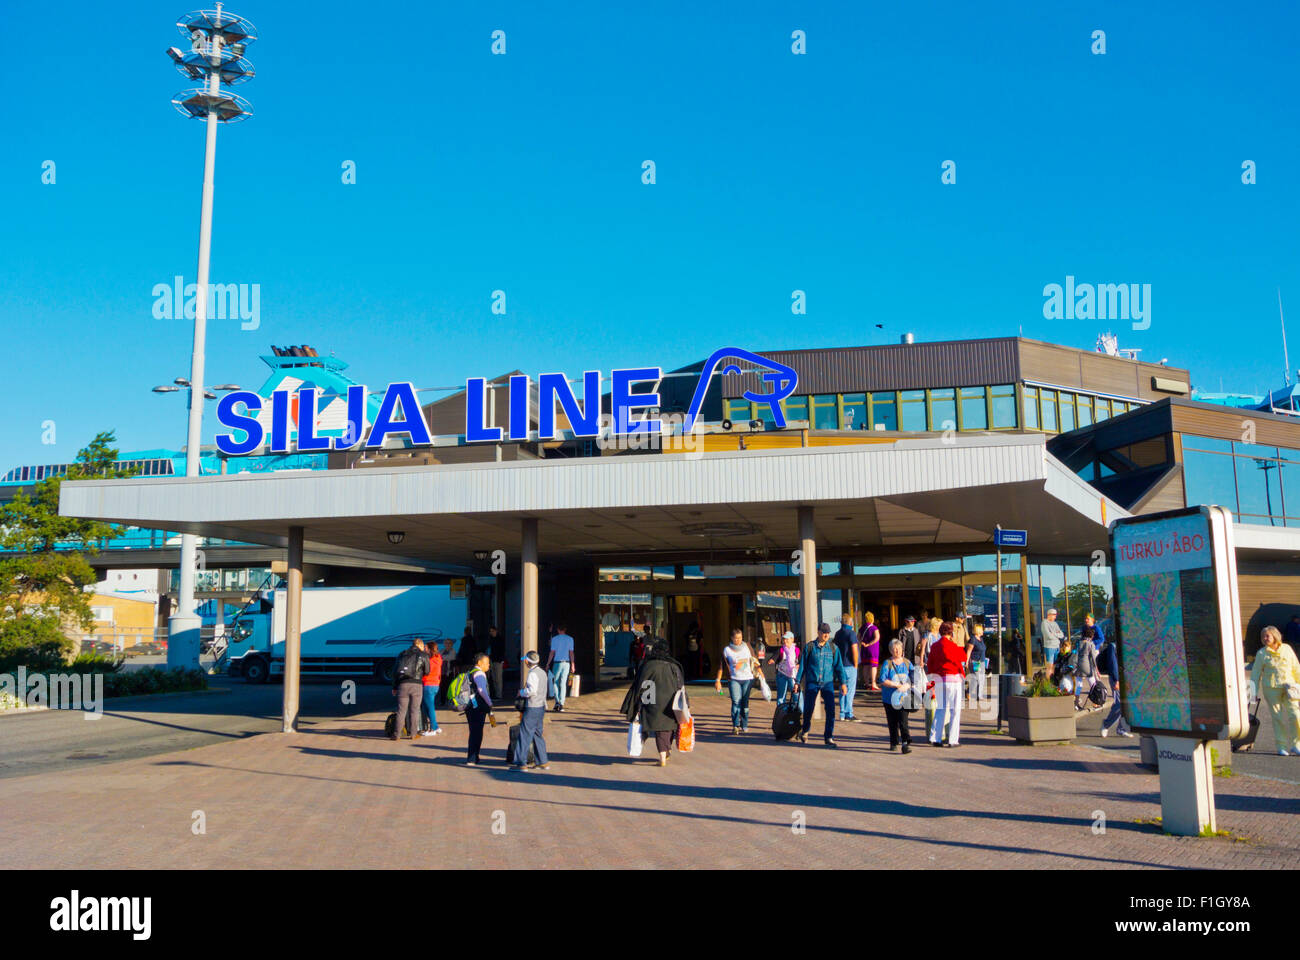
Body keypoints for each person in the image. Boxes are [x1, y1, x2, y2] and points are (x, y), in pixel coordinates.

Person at [626, 639, 687, 766]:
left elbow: (641, 684)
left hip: (653, 702)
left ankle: (664, 756)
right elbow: (681, 686)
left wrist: (639, 701)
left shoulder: (648, 665)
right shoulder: (674, 666)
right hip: (671, 703)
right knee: (667, 729)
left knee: (660, 729)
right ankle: (665, 753)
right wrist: (686, 704)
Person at [794, 623, 848, 748]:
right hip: (812, 682)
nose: (826, 635)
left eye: (828, 633)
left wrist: (843, 683)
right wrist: (797, 682)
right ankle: (805, 730)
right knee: (808, 709)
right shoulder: (810, 647)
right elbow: (802, 667)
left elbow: (839, 667)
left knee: (830, 710)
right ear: (818, 632)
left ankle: (829, 736)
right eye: (824, 632)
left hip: (827, 683)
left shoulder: (833, 648)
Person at [1250, 626, 1300, 756]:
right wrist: (1253, 694)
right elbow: (1255, 674)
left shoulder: (1287, 649)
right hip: (1271, 689)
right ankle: (1281, 746)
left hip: (1290, 688)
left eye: (1268, 636)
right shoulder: (1261, 653)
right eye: (1263, 637)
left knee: (1295, 715)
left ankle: (1297, 744)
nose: (1265, 639)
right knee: (1277, 718)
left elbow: (1296, 668)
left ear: (1275, 636)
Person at [927, 621, 965, 747]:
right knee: (955, 710)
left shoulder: (935, 646)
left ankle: (935, 738)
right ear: (951, 633)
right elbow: (963, 657)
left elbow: (930, 664)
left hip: (939, 679)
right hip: (953, 679)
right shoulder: (952, 646)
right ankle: (953, 740)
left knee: (940, 709)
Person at [715, 628, 758, 734]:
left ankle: (744, 723)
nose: (738, 640)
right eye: (736, 638)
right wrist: (718, 680)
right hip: (734, 679)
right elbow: (722, 666)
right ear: (732, 638)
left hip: (747, 679)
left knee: (744, 701)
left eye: (740, 638)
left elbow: (755, 661)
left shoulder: (747, 647)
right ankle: (735, 725)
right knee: (735, 701)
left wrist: (761, 675)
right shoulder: (727, 650)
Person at [513, 651, 551, 771]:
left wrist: (521, 692)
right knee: (537, 733)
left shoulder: (532, 674)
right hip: (541, 706)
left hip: (532, 706)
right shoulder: (543, 673)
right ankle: (542, 761)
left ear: (527, 661)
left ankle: (521, 763)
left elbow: (532, 691)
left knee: (524, 735)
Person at [390, 637, 430, 741]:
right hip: (416, 685)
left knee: (401, 710)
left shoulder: (402, 654)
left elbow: (395, 672)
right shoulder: (423, 655)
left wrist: (394, 687)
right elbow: (427, 671)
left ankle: (396, 734)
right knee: (414, 710)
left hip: (402, 685)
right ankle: (413, 734)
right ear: (420, 645)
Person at [879, 639, 914, 753]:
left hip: (904, 698)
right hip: (889, 699)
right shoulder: (887, 663)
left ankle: (905, 743)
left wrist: (907, 685)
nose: (897, 651)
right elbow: (882, 680)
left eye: (898, 648)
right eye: (894, 649)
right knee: (892, 722)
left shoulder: (908, 663)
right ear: (890, 651)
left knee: (903, 721)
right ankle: (893, 742)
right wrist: (896, 685)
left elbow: (914, 678)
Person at [1095, 630, 1131, 738]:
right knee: (1119, 703)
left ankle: (1121, 728)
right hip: (1117, 678)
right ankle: (1106, 725)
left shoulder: (1127, 647)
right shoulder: (1113, 646)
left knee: (1126, 704)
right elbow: (1113, 664)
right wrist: (1117, 680)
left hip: (1126, 677)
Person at [464, 653, 495, 766]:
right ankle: (472, 758)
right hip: (477, 707)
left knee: (474, 731)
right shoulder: (480, 674)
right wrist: (490, 703)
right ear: (479, 663)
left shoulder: (470, 672)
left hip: (470, 706)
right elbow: (482, 690)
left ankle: (474, 757)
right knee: (476, 733)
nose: (488, 665)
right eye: (486, 663)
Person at [833, 615, 860, 722]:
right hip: (850, 665)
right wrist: (856, 664)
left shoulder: (837, 633)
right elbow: (854, 649)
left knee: (842, 689)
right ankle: (849, 713)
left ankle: (842, 713)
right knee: (850, 690)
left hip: (840, 665)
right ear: (850, 622)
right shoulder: (851, 633)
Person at [919, 617, 941, 740]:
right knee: (930, 682)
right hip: (929, 663)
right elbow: (923, 649)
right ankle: (930, 698)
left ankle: (934, 698)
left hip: (938, 663)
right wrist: (921, 661)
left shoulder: (939, 635)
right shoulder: (928, 635)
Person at [547, 623, 575, 713]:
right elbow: (571, 653)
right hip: (566, 663)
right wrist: (573, 664)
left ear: (558, 630)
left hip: (557, 662)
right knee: (563, 683)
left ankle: (557, 702)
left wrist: (548, 663)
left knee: (555, 682)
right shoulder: (570, 639)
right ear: (565, 629)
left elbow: (552, 652)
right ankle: (562, 703)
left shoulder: (555, 639)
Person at [1073, 626, 1102, 711]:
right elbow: (1093, 658)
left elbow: (1075, 653)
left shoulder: (1079, 642)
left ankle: (1076, 703)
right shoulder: (1091, 644)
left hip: (1078, 666)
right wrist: (1097, 670)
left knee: (1079, 685)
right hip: (1087, 667)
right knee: (1093, 685)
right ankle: (1095, 703)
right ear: (1091, 635)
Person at [420, 636, 444, 737]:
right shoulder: (438, 658)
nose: (424, 649)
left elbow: (424, 671)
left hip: (428, 685)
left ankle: (432, 729)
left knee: (430, 708)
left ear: (429, 649)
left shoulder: (428, 660)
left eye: (425, 647)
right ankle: (436, 726)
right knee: (426, 707)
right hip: (435, 685)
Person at [769, 630, 800, 705]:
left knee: (795, 693)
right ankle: (780, 711)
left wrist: (798, 665)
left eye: (787, 639)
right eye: (783, 639)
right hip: (782, 674)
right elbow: (775, 657)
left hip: (792, 675)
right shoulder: (781, 649)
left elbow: (800, 660)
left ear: (792, 639)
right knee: (781, 695)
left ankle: (797, 709)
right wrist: (772, 660)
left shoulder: (796, 650)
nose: (785, 641)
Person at [966, 623, 987, 707]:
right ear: (978, 630)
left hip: (982, 661)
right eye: (982, 629)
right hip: (975, 661)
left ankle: (980, 696)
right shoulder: (973, 639)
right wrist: (967, 661)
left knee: (982, 678)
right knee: (976, 678)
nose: (983, 631)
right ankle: (968, 691)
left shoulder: (981, 639)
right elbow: (969, 651)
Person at [861, 611, 881, 692]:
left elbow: (858, 637)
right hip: (873, 649)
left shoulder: (862, 628)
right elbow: (877, 638)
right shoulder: (874, 628)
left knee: (865, 666)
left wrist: (862, 643)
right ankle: (873, 683)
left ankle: (866, 684)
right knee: (873, 666)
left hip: (864, 649)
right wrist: (869, 644)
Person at [1041, 608, 1064, 674]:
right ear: (1049, 615)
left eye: (1056, 615)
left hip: (1057, 646)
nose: (1055, 616)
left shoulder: (1055, 624)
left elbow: (1062, 635)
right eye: (1054, 614)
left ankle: (1053, 681)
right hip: (1049, 647)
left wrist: (1053, 633)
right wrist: (1056, 634)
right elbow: (1049, 636)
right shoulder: (1044, 623)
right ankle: (1048, 682)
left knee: (1055, 666)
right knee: (1049, 666)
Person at [487, 625, 505, 698]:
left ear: (496, 631)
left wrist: (501, 659)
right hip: (492, 660)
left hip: (498, 660)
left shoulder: (500, 639)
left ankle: (499, 695)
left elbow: (502, 650)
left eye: (493, 631)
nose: (491, 633)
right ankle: (496, 694)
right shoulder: (491, 639)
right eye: (490, 631)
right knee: (494, 678)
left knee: (498, 678)